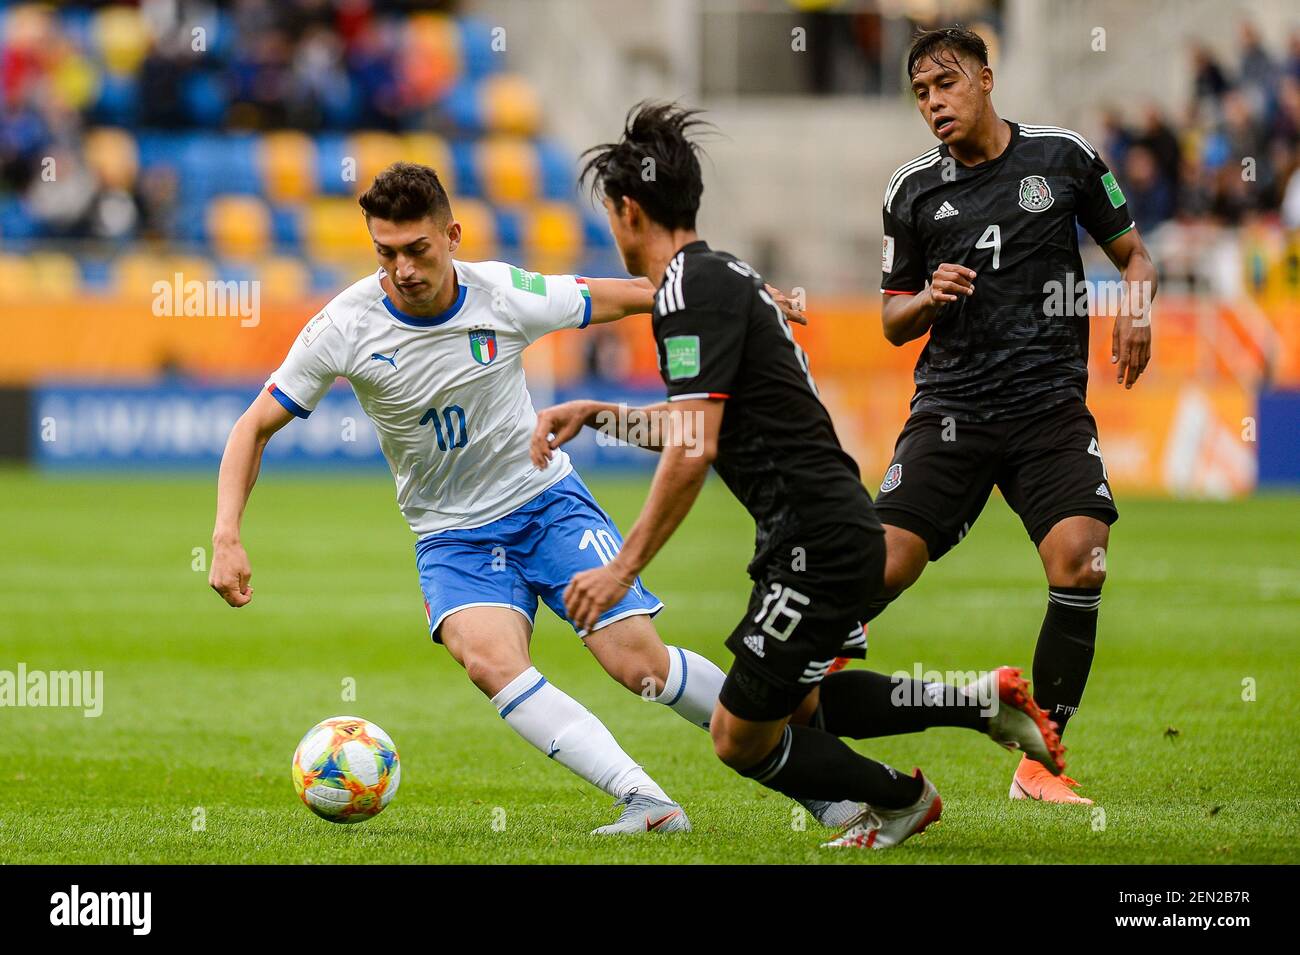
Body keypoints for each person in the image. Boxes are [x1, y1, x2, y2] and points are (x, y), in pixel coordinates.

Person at [208, 161, 801, 834]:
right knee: (490, 661)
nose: (402, 268)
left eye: (417, 249)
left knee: (640, 663)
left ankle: (819, 771)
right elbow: (253, 423)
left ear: (452, 234)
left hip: (545, 502)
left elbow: (624, 293)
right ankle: (648, 801)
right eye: (386, 252)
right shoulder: (345, 325)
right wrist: (227, 533)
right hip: (451, 535)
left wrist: (738, 301)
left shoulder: (504, 293)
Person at [532, 103, 1064, 850]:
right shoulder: (715, 279)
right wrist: (597, 413)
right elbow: (692, 424)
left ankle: (903, 799)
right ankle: (975, 702)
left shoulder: (691, 288)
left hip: (812, 542)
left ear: (627, 209)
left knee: (738, 738)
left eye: (611, 215)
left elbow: (693, 445)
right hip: (827, 530)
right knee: (806, 707)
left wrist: (623, 567)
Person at [875, 27, 1158, 802]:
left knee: (1081, 558)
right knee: (880, 566)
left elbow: (1135, 254)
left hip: (1048, 409)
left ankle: (1040, 764)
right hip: (953, 409)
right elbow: (893, 319)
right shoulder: (912, 192)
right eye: (921, 92)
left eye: (946, 83)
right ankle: (799, 703)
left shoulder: (1062, 158)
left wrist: (1135, 307)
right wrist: (930, 296)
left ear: (987, 79)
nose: (934, 102)